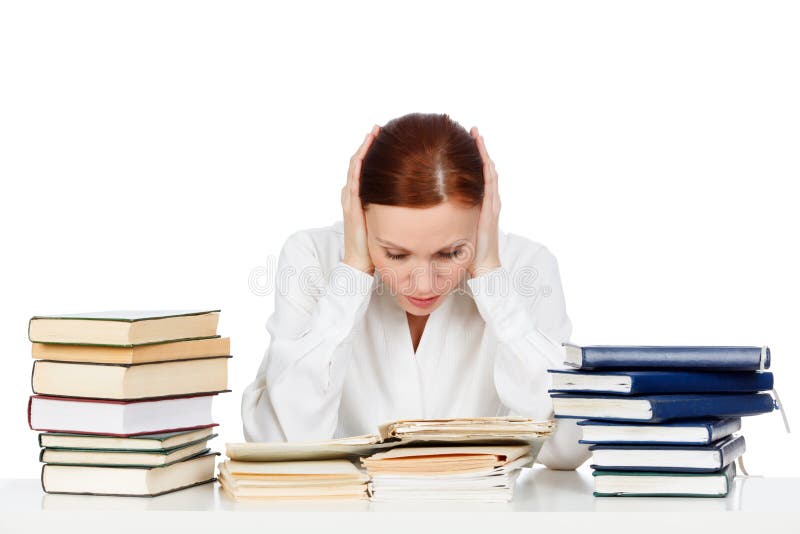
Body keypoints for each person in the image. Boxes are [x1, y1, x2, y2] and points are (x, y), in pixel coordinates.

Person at [241, 112, 591, 470]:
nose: (423, 284)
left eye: (452, 252)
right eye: (395, 253)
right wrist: (353, 272)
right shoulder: (312, 257)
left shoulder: (526, 265)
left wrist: (489, 276)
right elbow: (282, 442)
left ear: (485, 215)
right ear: (357, 214)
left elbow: (564, 449)